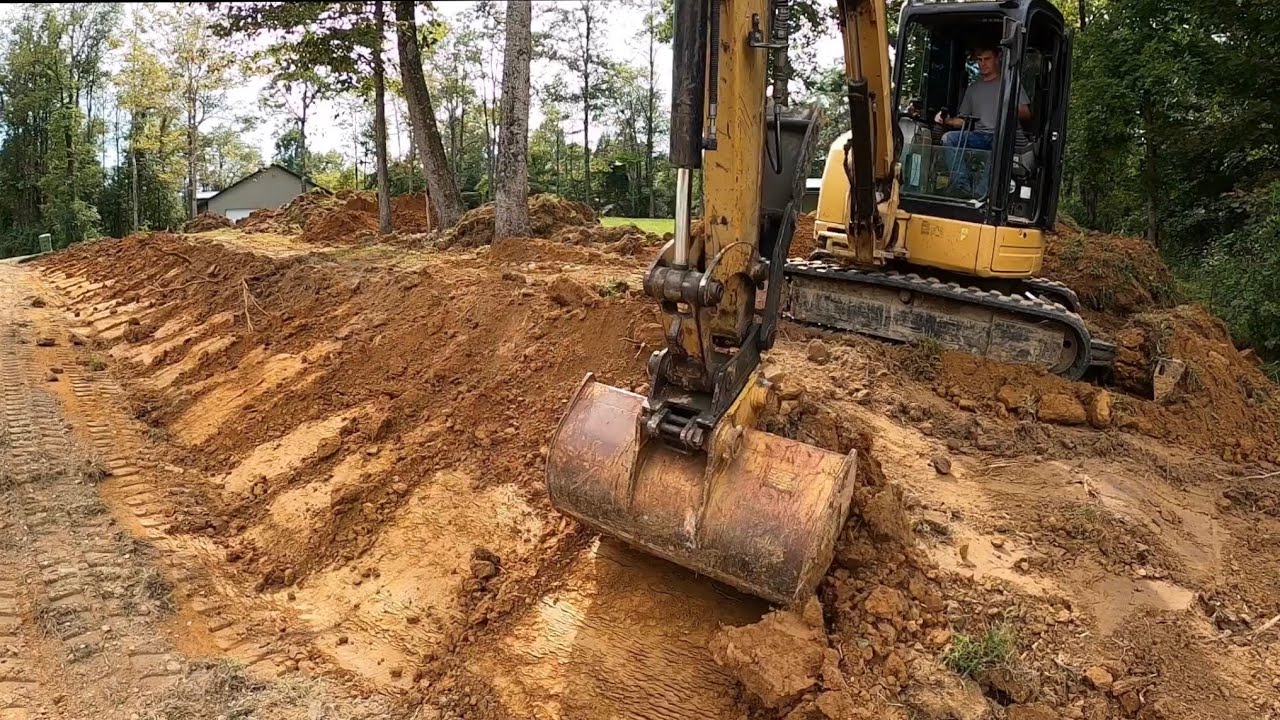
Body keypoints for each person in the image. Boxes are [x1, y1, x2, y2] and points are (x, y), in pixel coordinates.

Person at [934, 44, 1031, 199]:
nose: (983, 63)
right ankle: (962, 188)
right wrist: (947, 120)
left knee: (999, 144)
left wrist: (1008, 105)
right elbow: (963, 121)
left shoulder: (1009, 84)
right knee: (948, 138)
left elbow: (1026, 113)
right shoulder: (973, 88)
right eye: (979, 60)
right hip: (979, 136)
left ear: (997, 59)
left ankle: (981, 196)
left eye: (987, 59)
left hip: (1001, 136)